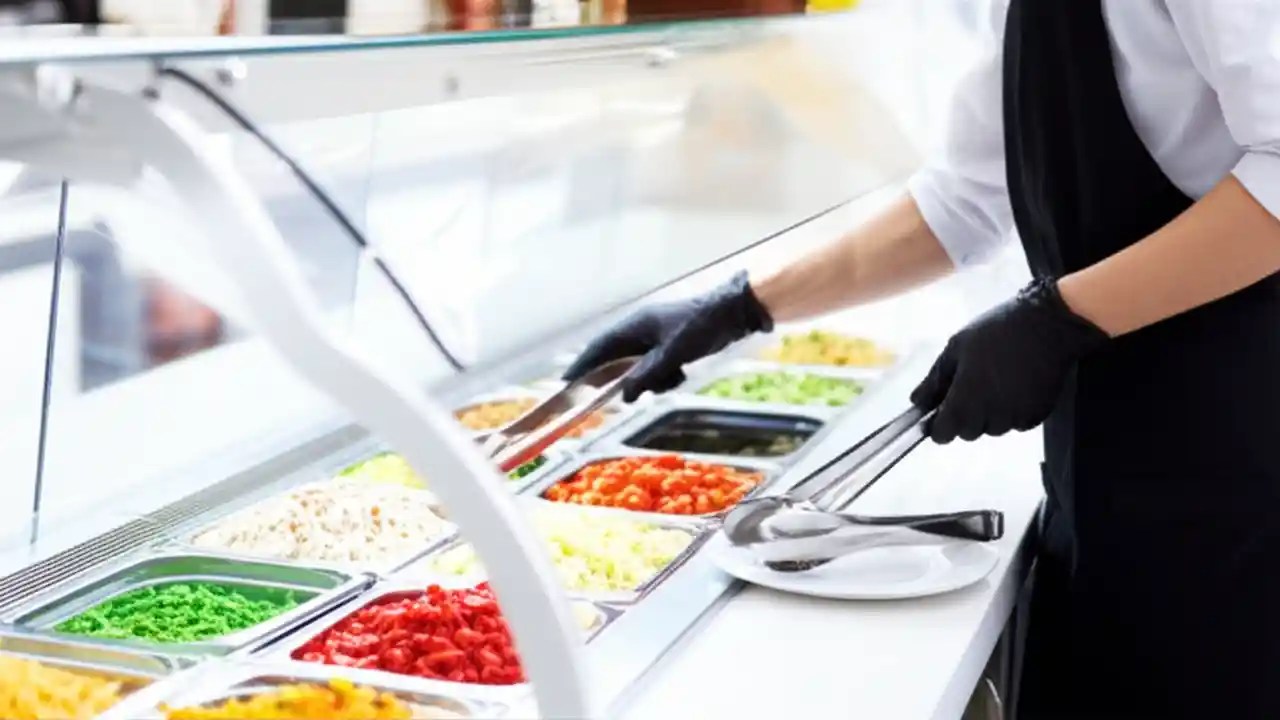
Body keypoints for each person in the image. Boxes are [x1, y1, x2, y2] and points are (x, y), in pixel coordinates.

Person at [563, 1, 1280, 717]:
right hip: (1110, 466)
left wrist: (1060, 317)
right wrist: (744, 303)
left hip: (1247, 471)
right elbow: (965, 199)